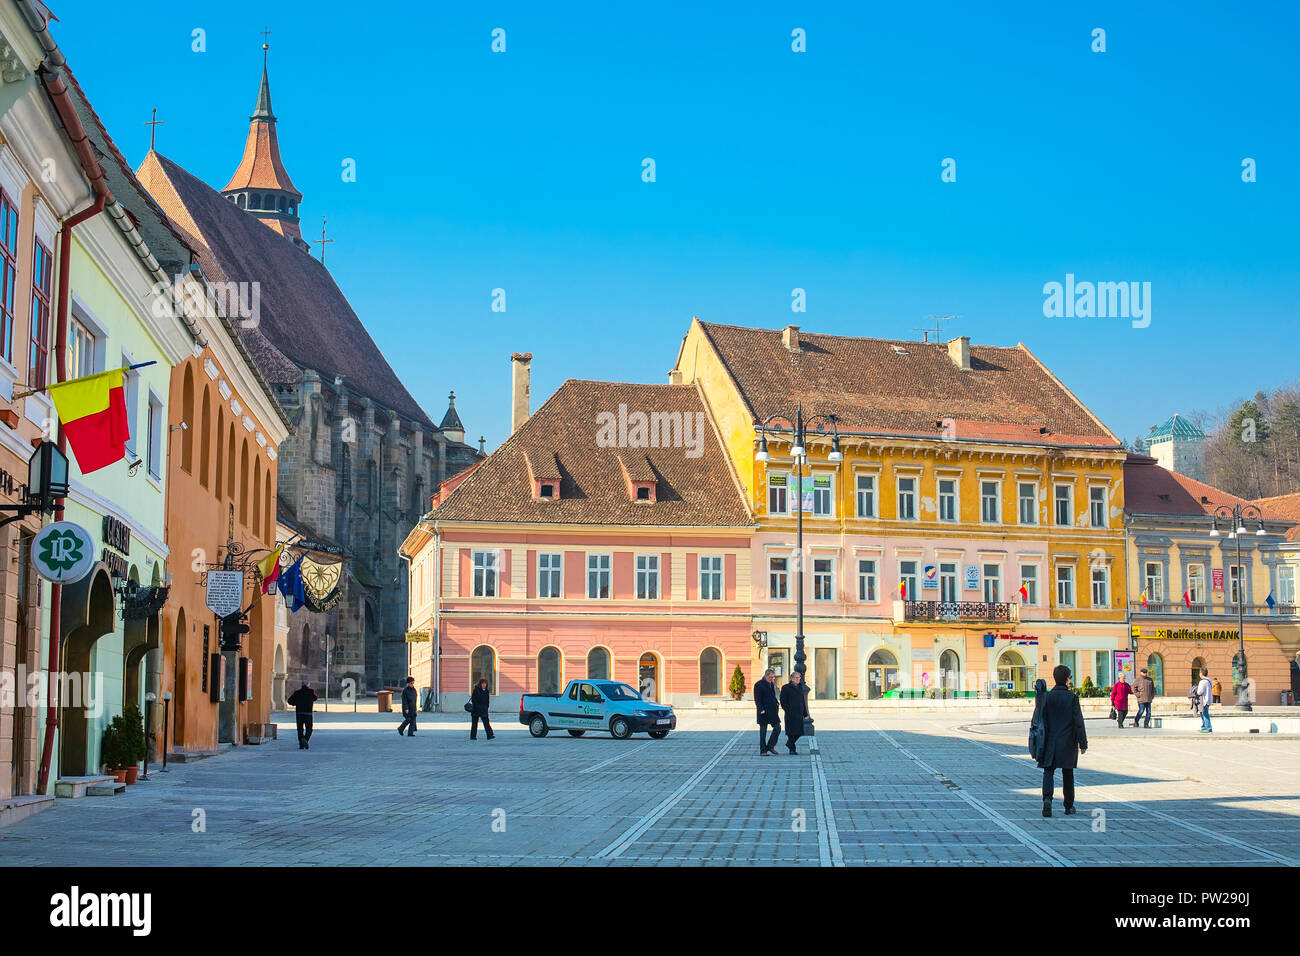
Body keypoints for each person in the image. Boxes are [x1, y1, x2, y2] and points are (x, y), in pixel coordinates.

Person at [1037, 664, 1087, 817]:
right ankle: (1068, 806)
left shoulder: (1047, 697)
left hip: (1049, 740)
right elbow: (1078, 721)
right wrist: (1083, 743)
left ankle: (1047, 799)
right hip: (1067, 741)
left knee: (1048, 771)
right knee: (1068, 773)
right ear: (1067, 678)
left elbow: (1041, 719)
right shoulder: (1072, 697)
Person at [779, 670, 810, 755]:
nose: (798, 679)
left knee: (800, 731)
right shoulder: (786, 687)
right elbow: (783, 701)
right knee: (790, 732)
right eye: (796, 677)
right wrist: (787, 709)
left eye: (799, 677)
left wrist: (805, 714)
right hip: (790, 713)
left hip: (799, 713)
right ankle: (792, 749)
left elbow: (803, 701)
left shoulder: (800, 687)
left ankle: (789, 743)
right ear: (791, 678)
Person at [753, 668, 780, 756]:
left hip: (772, 710)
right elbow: (757, 699)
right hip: (763, 712)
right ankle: (763, 751)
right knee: (763, 732)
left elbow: (772, 695)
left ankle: (770, 746)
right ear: (766, 676)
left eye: (773, 677)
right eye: (771, 677)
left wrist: (776, 702)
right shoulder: (758, 684)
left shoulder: (771, 684)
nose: (772, 679)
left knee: (777, 728)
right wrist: (761, 709)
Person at [286, 680, 318, 750]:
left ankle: (301, 744)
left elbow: (289, 701)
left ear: (302, 685)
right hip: (308, 713)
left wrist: (295, 703)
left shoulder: (297, 692)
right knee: (309, 728)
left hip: (299, 713)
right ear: (308, 685)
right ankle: (305, 739)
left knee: (300, 729)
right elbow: (315, 698)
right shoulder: (311, 692)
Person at [1196, 667, 1213, 733]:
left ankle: (1208, 728)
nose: (1199, 674)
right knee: (1204, 713)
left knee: (1204, 714)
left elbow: (1199, 692)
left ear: (1202, 673)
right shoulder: (1209, 681)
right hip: (1208, 699)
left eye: (1200, 672)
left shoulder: (1203, 682)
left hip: (1204, 700)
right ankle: (1204, 727)